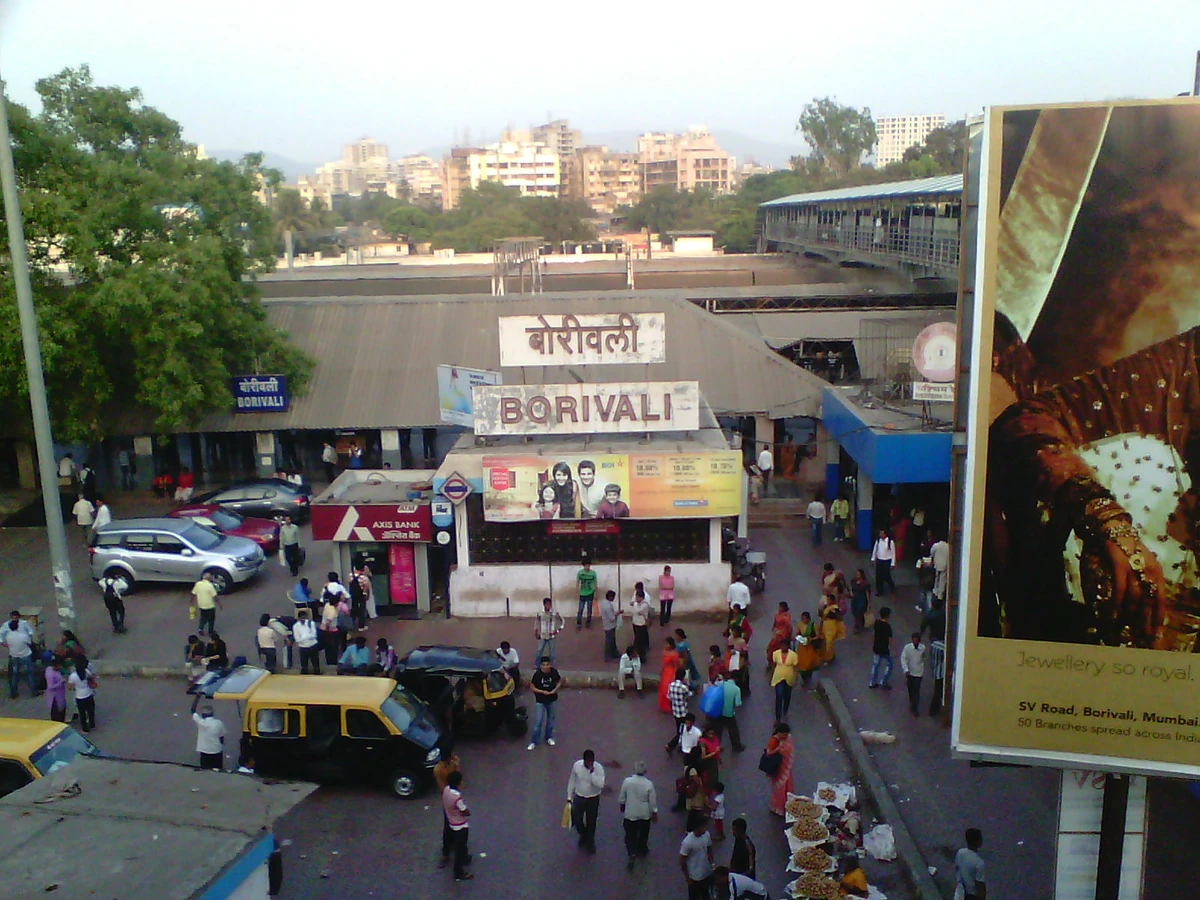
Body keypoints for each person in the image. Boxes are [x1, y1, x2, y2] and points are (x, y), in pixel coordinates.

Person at [618, 760, 657, 870]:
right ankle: (642, 848)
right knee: (644, 833)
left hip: (631, 813)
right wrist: (654, 812)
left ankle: (631, 853)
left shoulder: (627, 782)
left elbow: (622, 796)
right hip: (644, 814)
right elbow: (652, 801)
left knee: (630, 835)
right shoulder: (649, 784)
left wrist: (622, 805)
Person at [567, 749, 605, 853]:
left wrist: (592, 773)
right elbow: (572, 781)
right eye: (588, 761)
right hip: (579, 797)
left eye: (591, 761)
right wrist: (569, 796)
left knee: (591, 821)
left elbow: (600, 784)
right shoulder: (577, 766)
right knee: (576, 819)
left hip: (593, 798)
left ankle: (590, 841)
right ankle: (584, 834)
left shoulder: (598, 769)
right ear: (584, 760)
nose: (590, 763)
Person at [443, 770, 473, 881]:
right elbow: (465, 811)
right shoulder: (457, 797)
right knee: (460, 848)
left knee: (459, 845)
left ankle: (465, 858)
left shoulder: (446, 790)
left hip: (451, 822)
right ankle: (459, 872)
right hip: (460, 825)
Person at [433, 751, 461, 869]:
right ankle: (446, 852)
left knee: (452, 825)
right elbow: (447, 785)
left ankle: (452, 848)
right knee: (448, 826)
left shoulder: (449, 765)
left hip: (452, 796)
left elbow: (457, 778)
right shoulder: (439, 770)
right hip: (448, 798)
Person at [527, 657, 560, 750]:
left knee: (550, 720)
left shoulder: (554, 672)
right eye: (543, 665)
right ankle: (534, 741)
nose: (545, 667)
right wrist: (542, 691)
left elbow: (559, 681)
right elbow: (532, 687)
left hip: (552, 699)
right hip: (540, 700)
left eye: (547, 665)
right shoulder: (537, 674)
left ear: (550, 665)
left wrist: (555, 690)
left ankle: (548, 737)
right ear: (540, 666)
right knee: (538, 722)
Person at [679, 812, 715, 900]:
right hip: (695, 877)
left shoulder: (706, 835)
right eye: (703, 826)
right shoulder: (687, 842)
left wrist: (712, 865)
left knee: (707, 896)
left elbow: (709, 850)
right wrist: (687, 878)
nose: (705, 828)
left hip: (707, 873)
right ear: (697, 827)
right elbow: (682, 861)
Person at [764, 721, 794, 816]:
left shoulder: (787, 738)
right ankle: (778, 807)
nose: (785, 737)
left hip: (785, 768)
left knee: (786, 786)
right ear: (779, 733)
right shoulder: (774, 740)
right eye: (784, 735)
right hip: (779, 768)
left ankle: (787, 804)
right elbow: (769, 753)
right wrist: (779, 749)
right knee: (780, 789)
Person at [190, 693, 226, 770]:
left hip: (205, 751)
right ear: (212, 713)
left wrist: (197, 697)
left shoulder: (201, 722)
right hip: (216, 750)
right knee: (218, 770)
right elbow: (222, 737)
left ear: (203, 715)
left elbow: (193, 711)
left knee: (205, 770)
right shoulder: (218, 723)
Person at [4, 618, 36, 699]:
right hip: (25, 654)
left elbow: (7, 644)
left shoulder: (8, 636)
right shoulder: (23, 636)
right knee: (30, 673)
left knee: (15, 674)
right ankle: (33, 691)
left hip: (14, 655)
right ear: (18, 626)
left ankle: (13, 692)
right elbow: (30, 643)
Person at [665, 670, 694, 754]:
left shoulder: (671, 685)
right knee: (682, 731)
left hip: (675, 711)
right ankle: (670, 745)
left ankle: (680, 744)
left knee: (679, 728)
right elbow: (690, 695)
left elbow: (669, 697)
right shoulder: (683, 687)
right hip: (683, 711)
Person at [770, 638, 798, 720]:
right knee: (779, 695)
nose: (783, 647)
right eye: (782, 646)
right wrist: (771, 676)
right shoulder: (776, 654)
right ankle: (778, 715)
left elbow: (796, 668)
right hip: (778, 677)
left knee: (787, 695)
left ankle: (785, 708)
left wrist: (796, 678)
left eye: (785, 646)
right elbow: (773, 665)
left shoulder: (793, 655)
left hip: (789, 677)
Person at [955, 828, 987, 900]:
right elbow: (980, 886)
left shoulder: (960, 853)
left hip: (960, 892)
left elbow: (957, 869)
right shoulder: (979, 862)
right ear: (979, 841)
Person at [67, 658, 97, 733]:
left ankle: (85, 728)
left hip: (79, 696)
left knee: (82, 713)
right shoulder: (87, 672)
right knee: (91, 710)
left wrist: (74, 687)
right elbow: (92, 681)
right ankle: (92, 723)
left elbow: (69, 687)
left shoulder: (73, 676)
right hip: (88, 693)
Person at [901, 632, 926, 716]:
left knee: (916, 690)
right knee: (911, 689)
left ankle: (914, 707)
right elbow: (903, 658)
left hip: (918, 673)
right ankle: (912, 702)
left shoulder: (922, 648)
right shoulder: (907, 648)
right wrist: (906, 669)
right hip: (910, 673)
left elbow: (923, 658)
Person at [869, 606, 895, 689]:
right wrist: (894, 649)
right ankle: (884, 681)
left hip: (876, 647)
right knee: (890, 664)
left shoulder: (876, 623)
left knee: (875, 665)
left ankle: (872, 682)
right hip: (884, 648)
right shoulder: (887, 626)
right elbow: (890, 639)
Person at [794, 612, 821, 688]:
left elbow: (818, 636)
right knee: (802, 662)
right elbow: (798, 633)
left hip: (810, 647)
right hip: (802, 647)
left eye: (805, 619)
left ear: (809, 619)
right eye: (803, 619)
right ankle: (804, 677)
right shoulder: (800, 625)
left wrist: (811, 639)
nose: (804, 620)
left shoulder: (814, 626)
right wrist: (798, 637)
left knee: (809, 663)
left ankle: (808, 674)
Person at [535, 597, 564, 663]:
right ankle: (537, 664)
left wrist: (558, 630)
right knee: (539, 650)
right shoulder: (540, 613)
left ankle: (552, 665)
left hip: (551, 636)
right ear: (544, 605)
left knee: (552, 652)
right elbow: (537, 622)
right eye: (547, 604)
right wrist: (536, 632)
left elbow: (562, 620)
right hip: (543, 635)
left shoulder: (554, 613)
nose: (549, 606)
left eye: (550, 604)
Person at [191, 572, 221, 637]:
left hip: (201, 605)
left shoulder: (198, 584)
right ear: (209, 578)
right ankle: (210, 631)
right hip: (210, 606)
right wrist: (219, 604)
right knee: (211, 619)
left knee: (203, 618)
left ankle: (200, 629)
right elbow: (215, 596)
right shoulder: (210, 585)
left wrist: (192, 602)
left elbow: (193, 593)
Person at [659, 638, 684, 715]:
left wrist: (675, 674)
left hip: (671, 671)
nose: (665, 645)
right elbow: (664, 663)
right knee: (663, 688)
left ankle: (670, 704)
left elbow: (676, 665)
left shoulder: (674, 654)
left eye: (667, 644)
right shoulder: (665, 652)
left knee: (668, 687)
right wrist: (662, 670)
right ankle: (665, 705)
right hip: (666, 671)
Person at [629, 584, 652, 662]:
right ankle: (637, 655)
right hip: (635, 623)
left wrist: (635, 604)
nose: (637, 599)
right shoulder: (636, 603)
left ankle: (642, 657)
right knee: (637, 640)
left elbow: (637, 611)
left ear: (642, 598)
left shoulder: (644, 605)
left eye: (639, 597)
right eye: (636, 597)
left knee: (640, 642)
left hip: (641, 624)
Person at [293, 609, 321, 674]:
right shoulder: (296, 626)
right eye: (301, 618)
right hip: (303, 647)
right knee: (304, 666)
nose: (303, 619)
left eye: (304, 618)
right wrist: (307, 636)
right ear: (299, 618)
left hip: (312, 646)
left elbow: (314, 635)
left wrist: (303, 637)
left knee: (316, 664)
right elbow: (297, 639)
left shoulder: (311, 623)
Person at [871, 529, 897, 596]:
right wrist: (873, 558)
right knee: (878, 576)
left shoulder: (890, 542)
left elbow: (893, 553)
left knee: (886, 575)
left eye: (882, 533)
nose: (881, 535)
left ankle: (891, 585)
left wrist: (893, 563)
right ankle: (880, 591)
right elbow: (875, 550)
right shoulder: (878, 541)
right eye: (880, 533)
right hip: (879, 560)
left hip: (887, 560)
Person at [576, 560, 597, 630]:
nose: (587, 567)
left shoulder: (593, 573)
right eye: (586, 565)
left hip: (590, 593)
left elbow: (595, 583)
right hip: (582, 593)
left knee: (589, 609)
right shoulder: (580, 573)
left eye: (588, 565)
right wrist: (577, 591)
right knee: (580, 609)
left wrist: (596, 592)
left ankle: (588, 622)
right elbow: (577, 582)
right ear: (583, 566)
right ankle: (579, 623)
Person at [929, 633, 947, 717]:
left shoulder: (932, 646)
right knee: (939, 692)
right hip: (942, 672)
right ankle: (935, 710)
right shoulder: (942, 646)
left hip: (936, 672)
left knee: (937, 691)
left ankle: (934, 710)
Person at [44, 658, 67, 722]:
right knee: (57, 713)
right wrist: (61, 682)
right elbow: (50, 686)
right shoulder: (51, 674)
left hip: (60, 694)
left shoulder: (49, 669)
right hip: (55, 697)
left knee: (62, 710)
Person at [850, 568, 872, 634]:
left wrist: (868, 602)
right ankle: (862, 621)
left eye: (858, 574)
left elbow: (867, 593)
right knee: (855, 611)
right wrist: (851, 592)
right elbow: (851, 587)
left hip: (862, 599)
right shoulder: (853, 581)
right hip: (855, 598)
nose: (857, 575)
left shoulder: (865, 583)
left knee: (858, 611)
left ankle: (856, 627)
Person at [600, 589, 620, 661]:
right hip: (610, 625)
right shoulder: (608, 606)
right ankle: (608, 656)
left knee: (612, 640)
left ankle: (614, 653)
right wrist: (618, 613)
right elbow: (612, 618)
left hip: (606, 624)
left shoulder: (603, 603)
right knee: (609, 641)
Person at [930, 534, 951, 602]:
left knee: (937, 578)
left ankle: (935, 591)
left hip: (937, 564)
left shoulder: (936, 545)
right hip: (944, 565)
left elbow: (931, 552)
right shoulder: (948, 546)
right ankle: (940, 595)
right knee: (942, 580)